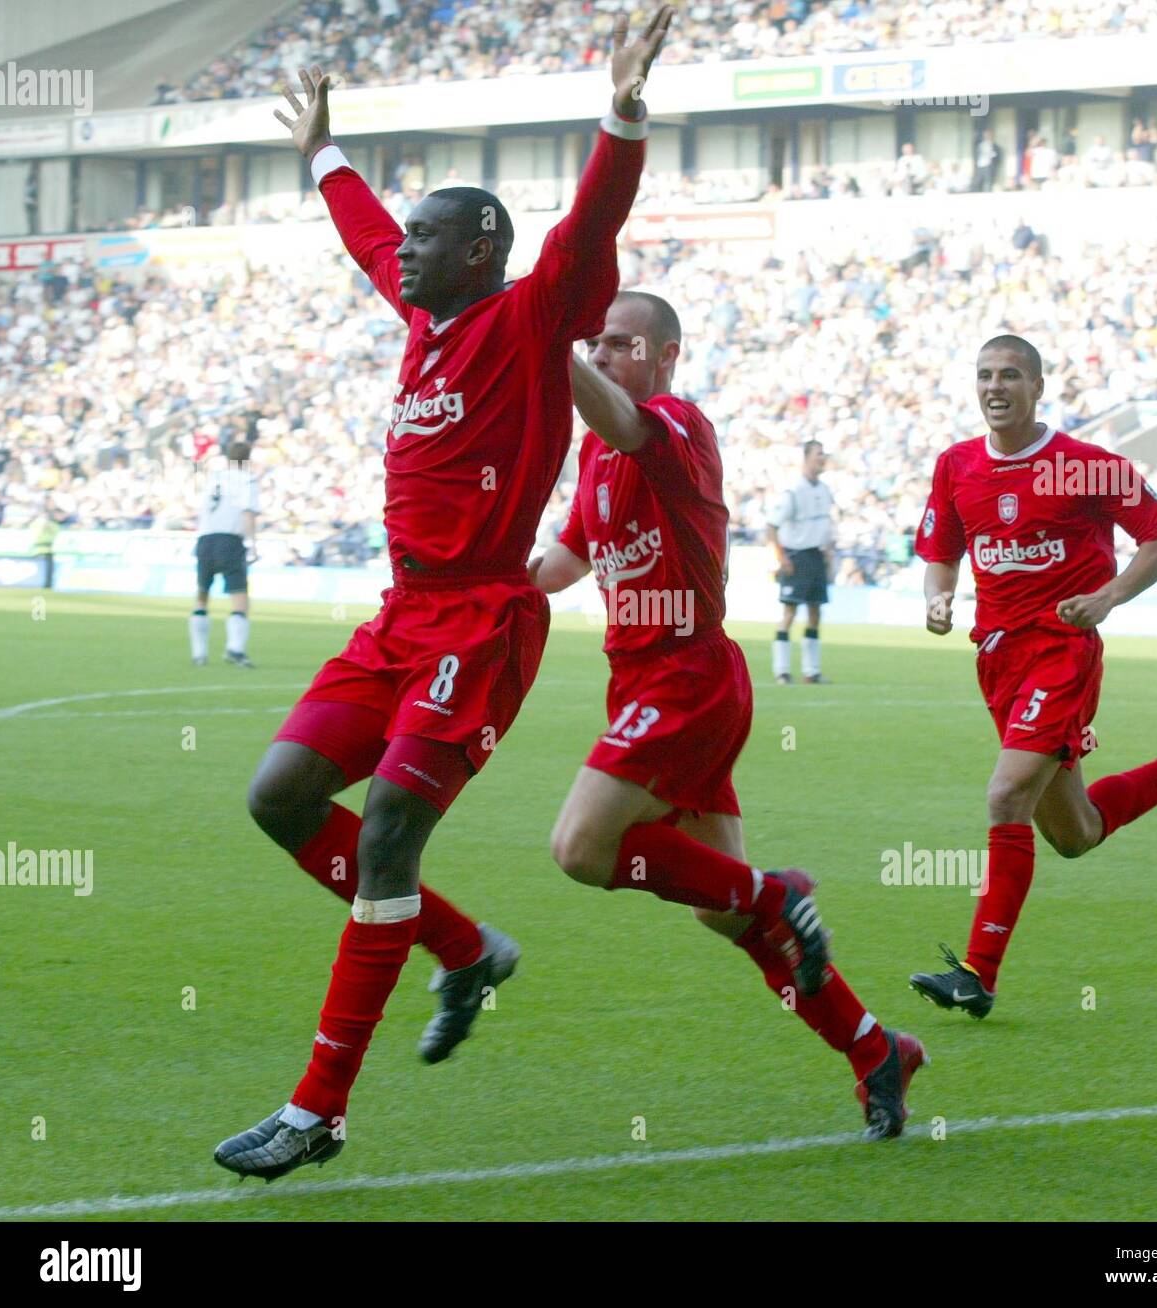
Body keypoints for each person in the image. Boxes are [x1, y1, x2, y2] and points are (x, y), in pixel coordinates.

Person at [214, 7, 674, 1181]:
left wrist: (619, 114)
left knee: (384, 837)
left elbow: (591, 224)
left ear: (481, 248)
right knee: (278, 797)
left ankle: (317, 1110)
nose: (402, 252)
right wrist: (322, 149)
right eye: (406, 239)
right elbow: (364, 231)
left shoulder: (530, 316)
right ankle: (464, 950)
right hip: (399, 616)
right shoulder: (423, 312)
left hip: (482, 617)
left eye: (427, 238)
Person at [532, 290, 926, 1141]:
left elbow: (627, 423)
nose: (603, 357)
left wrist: (548, 344)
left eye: (621, 345)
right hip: (642, 679)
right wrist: (484, 584)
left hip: (686, 675)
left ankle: (774, 891)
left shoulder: (675, 426)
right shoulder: (598, 461)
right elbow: (565, 559)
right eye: (594, 345)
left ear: (666, 356)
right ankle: (875, 1050)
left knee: (580, 847)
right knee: (723, 912)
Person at [907, 335, 1157, 1019]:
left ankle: (977, 973)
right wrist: (937, 595)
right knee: (1073, 833)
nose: (996, 387)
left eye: (1011, 376)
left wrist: (1109, 596)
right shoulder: (956, 465)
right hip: (997, 659)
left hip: (1062, 651)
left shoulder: (1086, 466)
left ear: (1039, 386)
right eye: (985, 374)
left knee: (1004, 798)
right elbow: (942, 549)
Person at [767, 440, 835, 684]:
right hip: (796, 557)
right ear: (806, 457)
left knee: (815, 612)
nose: (822, 458)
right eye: (818, 453)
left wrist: (829, 551)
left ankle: (811, 671)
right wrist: (781, 557)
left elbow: (826, 524)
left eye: (823, 454)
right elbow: (771, 527)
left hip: (816, 557)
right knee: (789, 612)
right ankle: (782, 670)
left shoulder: (825, 490)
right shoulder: (793, 492)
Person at [189, 437, 259, 667]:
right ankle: (235, 649)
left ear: (228, 457)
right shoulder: (247, 480)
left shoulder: (214, 477)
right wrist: (251, 546)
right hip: (230, 541)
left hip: (205, 539)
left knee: (202, 594)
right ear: (248, 459)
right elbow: (248, 513)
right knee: (240, 598)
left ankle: (199, 653)